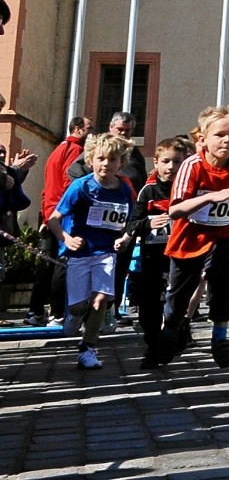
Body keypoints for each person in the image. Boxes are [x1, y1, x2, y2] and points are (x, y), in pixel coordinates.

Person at [158, 107, 229, 369]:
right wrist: (211, 197)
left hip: (223, 235)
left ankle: (220, 340)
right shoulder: (192, 166)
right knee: (179, 295)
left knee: (225, 282)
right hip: (189, 238)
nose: (228, 141)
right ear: (203, 139)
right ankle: (169, 337)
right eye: (220, 135)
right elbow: (174, 210)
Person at [47, 133, 135, 370]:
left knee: (101, 300)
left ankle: (88, 349)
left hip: (106, 253)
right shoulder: (81, 186)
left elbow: (130, 222)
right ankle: (74, 314)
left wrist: (125, 239)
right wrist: (66, 239)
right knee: (79, 305)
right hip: (80, 254)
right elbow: (54, 219)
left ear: (121, 162)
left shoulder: (124, 189)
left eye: (112, 159)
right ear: (91, 160)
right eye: (101, 158)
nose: (106, 164)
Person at [129, 136, 189, 368]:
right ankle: (153, 345)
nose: (171, 167)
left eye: (177, 162)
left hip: (180, 256)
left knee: (176, 301)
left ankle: (178, 333)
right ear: (156, 162)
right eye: (165, 161)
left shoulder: (187, 191)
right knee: (149, 305)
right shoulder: (148, 192)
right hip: (152, 256)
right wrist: (148, 224)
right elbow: (132, 224)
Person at [27, 117, 90, 326]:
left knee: (49, 264)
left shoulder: (57, 150)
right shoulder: (75, 150)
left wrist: (46, 215)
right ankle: (57, 312)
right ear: (78, 129)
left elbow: (47, 187)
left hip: (50, 212)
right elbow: (68, 182)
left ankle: (36, 311)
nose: (92, 133)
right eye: (89, 129)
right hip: (64, 213)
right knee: (63, 263)